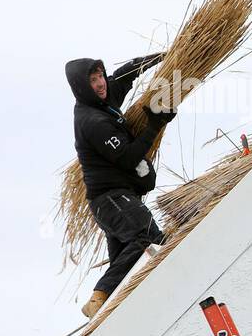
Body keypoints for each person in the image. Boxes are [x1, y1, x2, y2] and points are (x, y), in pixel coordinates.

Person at [65, 53, 174, 317]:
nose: (101, 83)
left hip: (114, 201)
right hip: (110, 200)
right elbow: (127, 158)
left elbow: (124, 75)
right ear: (82, 86)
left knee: (129, 260)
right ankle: (100, 292)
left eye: (100, 76)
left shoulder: (104, 97)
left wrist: (160, 58)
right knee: (148, 237)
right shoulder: (92, 121)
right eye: (93, 80)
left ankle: (106, 304)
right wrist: (155, 125)